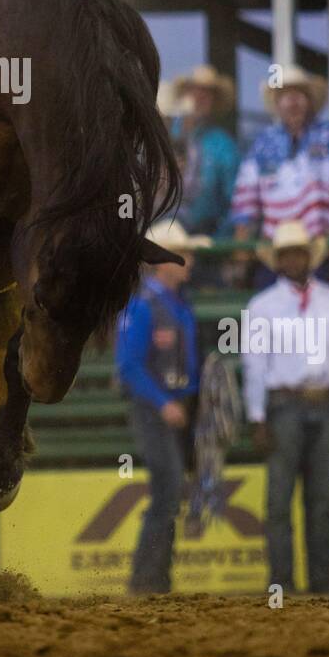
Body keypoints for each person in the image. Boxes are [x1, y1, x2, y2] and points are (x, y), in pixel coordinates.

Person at [242, 220, 329, 594]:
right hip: (284, 405)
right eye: (287, 254)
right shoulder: (262, 307)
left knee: (322, 501)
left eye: (299, 252)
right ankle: (281, 580)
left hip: (324, 404)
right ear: (279, 261)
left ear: (308, 257)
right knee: (280, 501)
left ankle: (321, 580)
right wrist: (257, 416)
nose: (294, 259)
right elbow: (256, 363)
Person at [116, 220, 212, 594]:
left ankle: (156, 578)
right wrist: (164, 403)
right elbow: (129, 367)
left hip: (178, 407)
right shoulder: (144, 307)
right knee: (169, 487)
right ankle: (146, 579)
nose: (189, 259)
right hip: (156, 409)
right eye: (182, 254)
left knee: (170, 491)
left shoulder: (173, 305)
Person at [231, 65, 329, 246]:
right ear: (277, 104)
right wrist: (241, 249)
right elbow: (245, 198)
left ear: (309, 101)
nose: (293, 102)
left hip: (321, 245)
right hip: (276, 247)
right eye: (285, 95)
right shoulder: (262, 143)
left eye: (299, 94)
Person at [170, 65, 240, 237]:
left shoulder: (224, 146)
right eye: (194, 90)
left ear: (214, 102)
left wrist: (217, 244)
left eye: (207, 93)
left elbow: (236, 203)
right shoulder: (162, 136)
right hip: (159, 238)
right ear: (184, 96)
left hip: (203, 243)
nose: (199, 96)